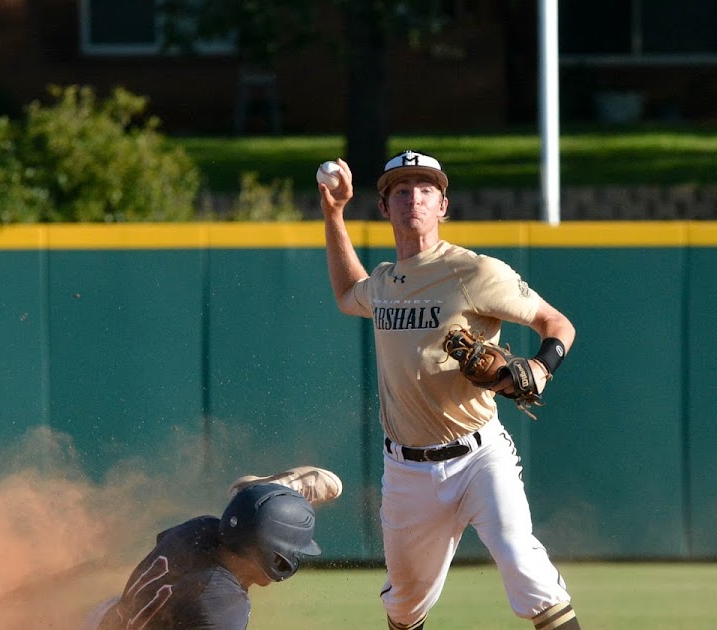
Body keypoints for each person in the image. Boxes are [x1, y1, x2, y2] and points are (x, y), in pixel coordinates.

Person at [318, 150, 581, 630]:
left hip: (480, 456)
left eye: (425, 190)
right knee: (404, 606)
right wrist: (334, 214)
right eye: (401, 191)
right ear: (384, 208)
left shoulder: (474, 272)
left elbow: (556, 322)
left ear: (443, 205)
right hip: (407, 470)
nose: (413, 199)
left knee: (526, 568)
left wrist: (542, 367)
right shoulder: (383, 284)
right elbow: (344, 292)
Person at [83, 466, 341, 630]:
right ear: (269, 555)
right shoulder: (223, 610)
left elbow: (236, 526)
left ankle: (267, 493)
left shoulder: (198, 529)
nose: (292, 557)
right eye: (290, 551)